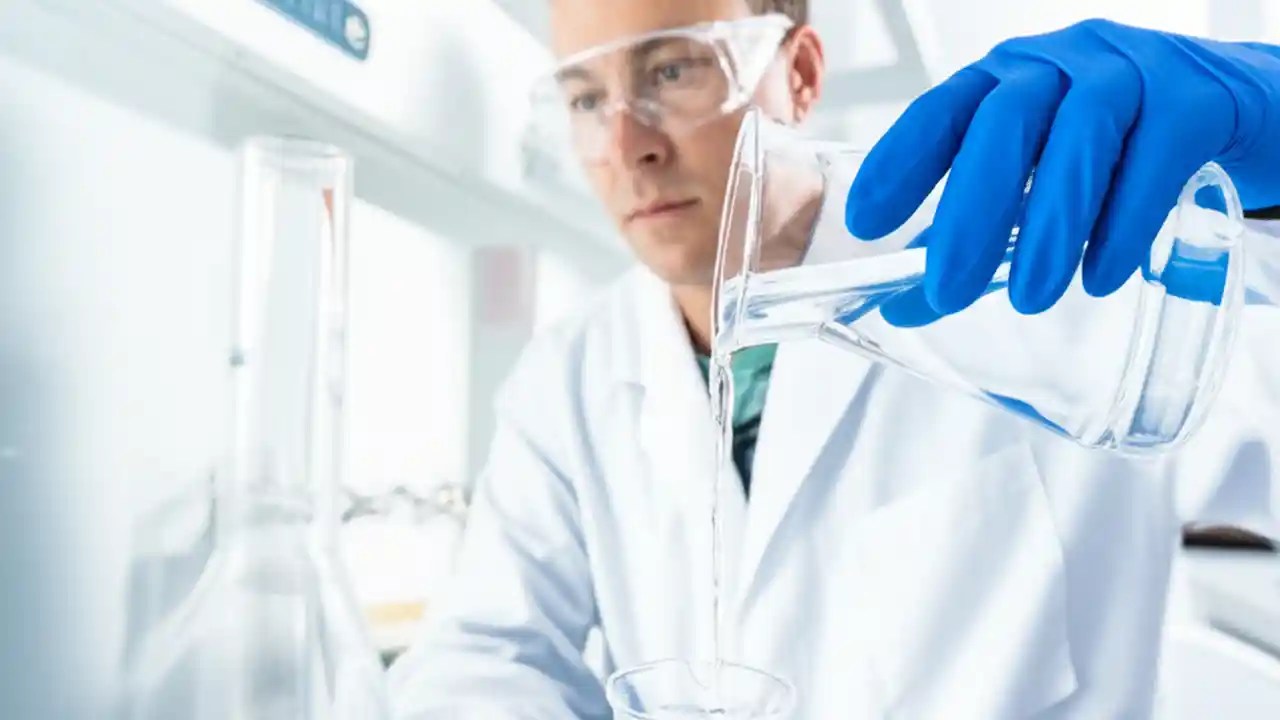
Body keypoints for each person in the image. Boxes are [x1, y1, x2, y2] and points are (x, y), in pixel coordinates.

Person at [389, 1, 1280, 717]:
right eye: (587, 99)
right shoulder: (569, 377)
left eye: (671, 70)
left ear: (802, 73)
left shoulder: (1043, 269)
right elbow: (483, 655)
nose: (630, 148)